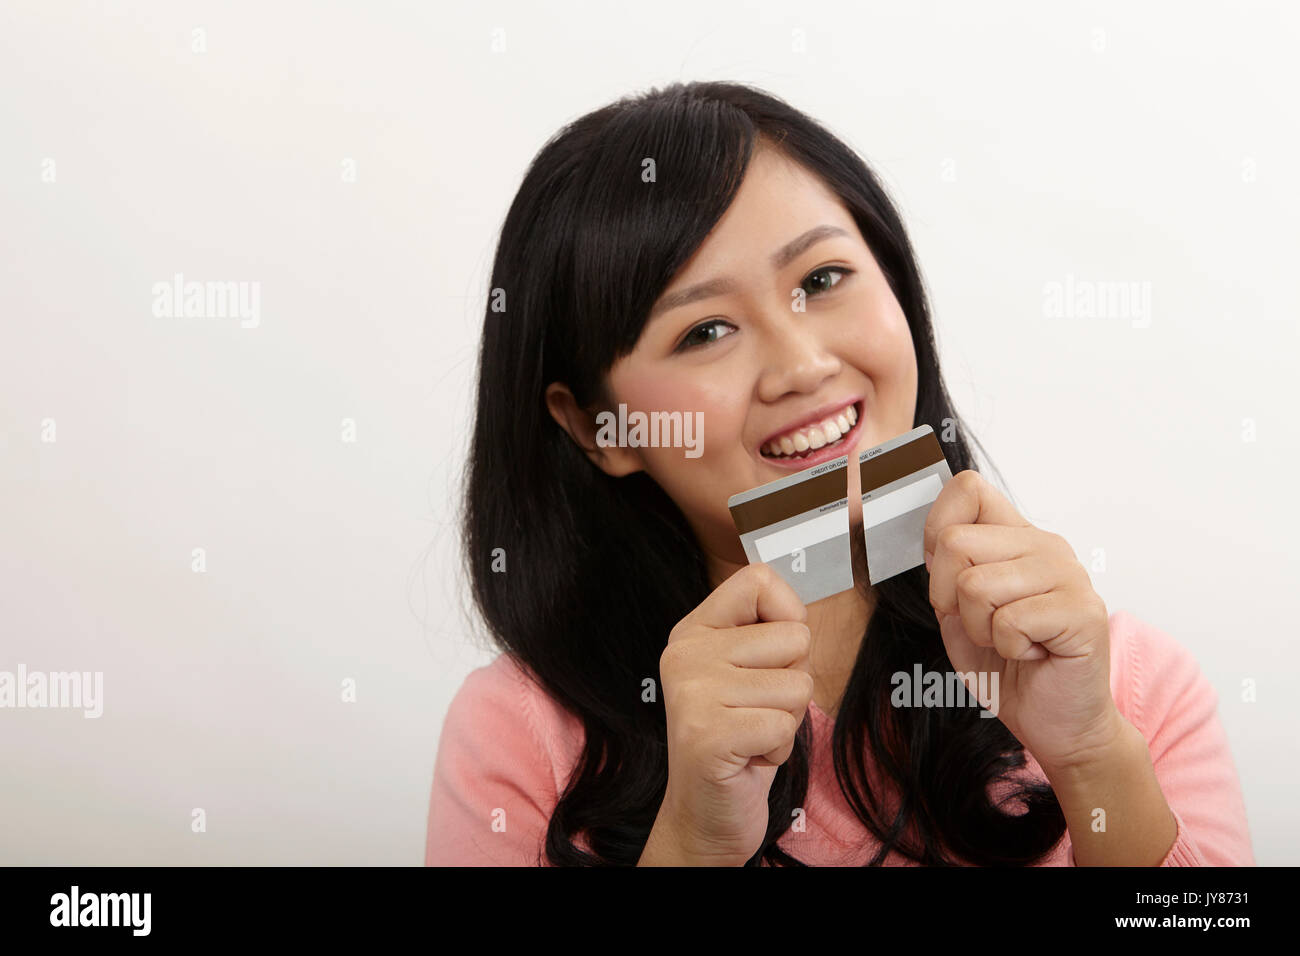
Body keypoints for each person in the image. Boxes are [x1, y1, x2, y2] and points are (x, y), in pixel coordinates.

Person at [425, 81, 1253, 866]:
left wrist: (1091, 756)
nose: (801, 364)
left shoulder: (1119, 682)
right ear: (595, 427)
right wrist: (693, 841)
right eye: (705, 331)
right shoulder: (522, 736)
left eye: (822, 280)